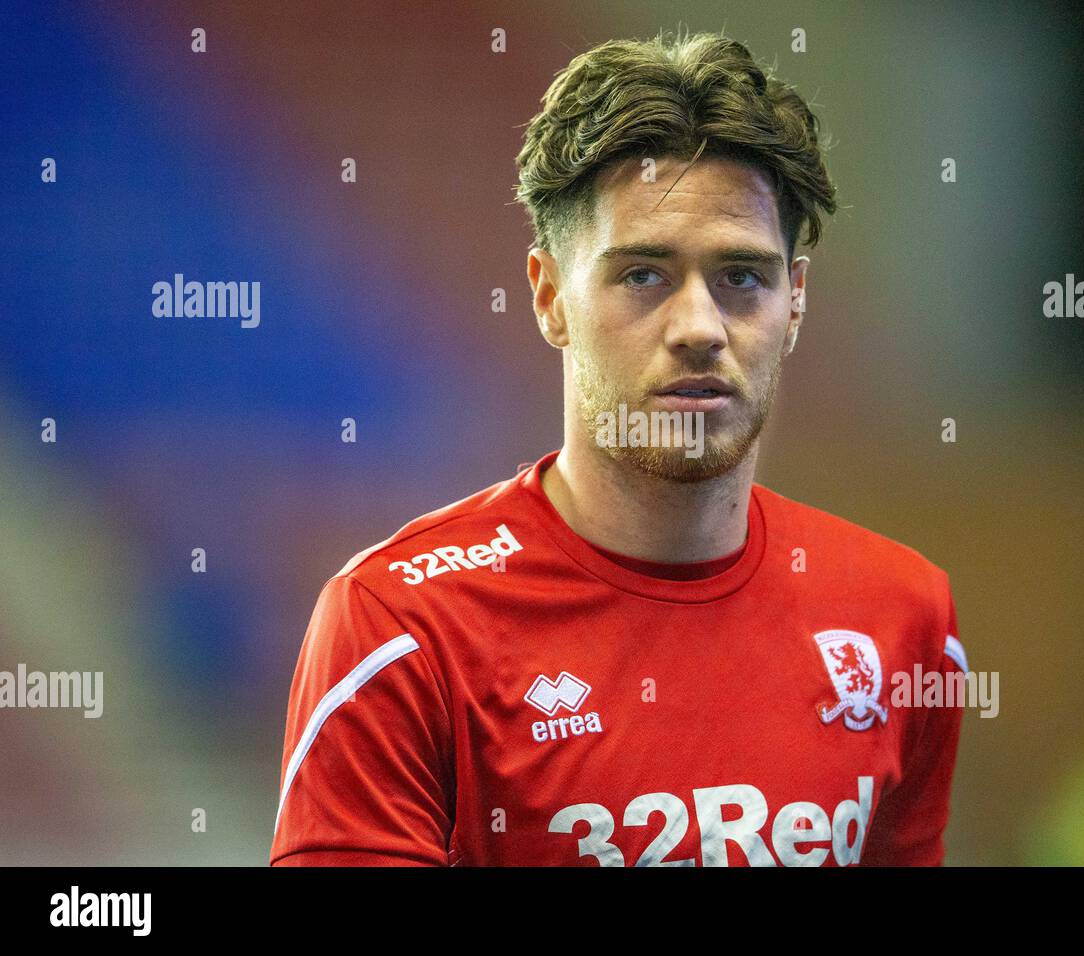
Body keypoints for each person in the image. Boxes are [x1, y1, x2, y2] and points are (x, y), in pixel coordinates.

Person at [271, 29, 967, 867]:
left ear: (797, 302)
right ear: (549, 297)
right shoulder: (398, 630)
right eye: (644, 275)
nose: (700, 328)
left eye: (742, 277)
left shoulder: (902, 618)